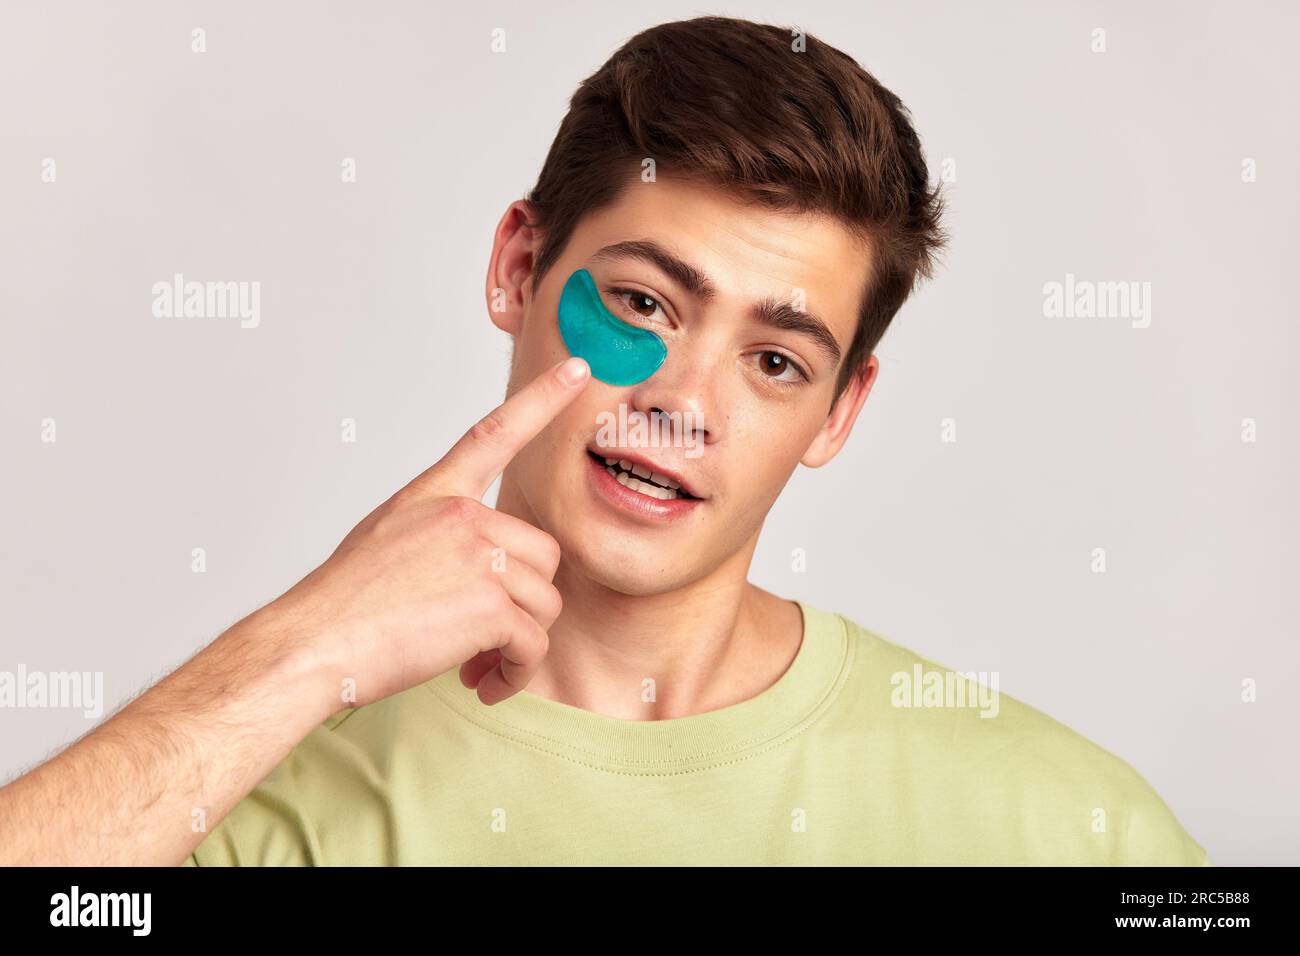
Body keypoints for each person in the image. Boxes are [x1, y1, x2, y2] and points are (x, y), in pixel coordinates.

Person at [0, 15, 1208, 866]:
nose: (682, 402)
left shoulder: (1056, 823)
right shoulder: (267, 796)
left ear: (838, 411)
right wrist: (306, 645)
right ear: (519, 267)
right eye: (642, 304)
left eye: (775, 360)